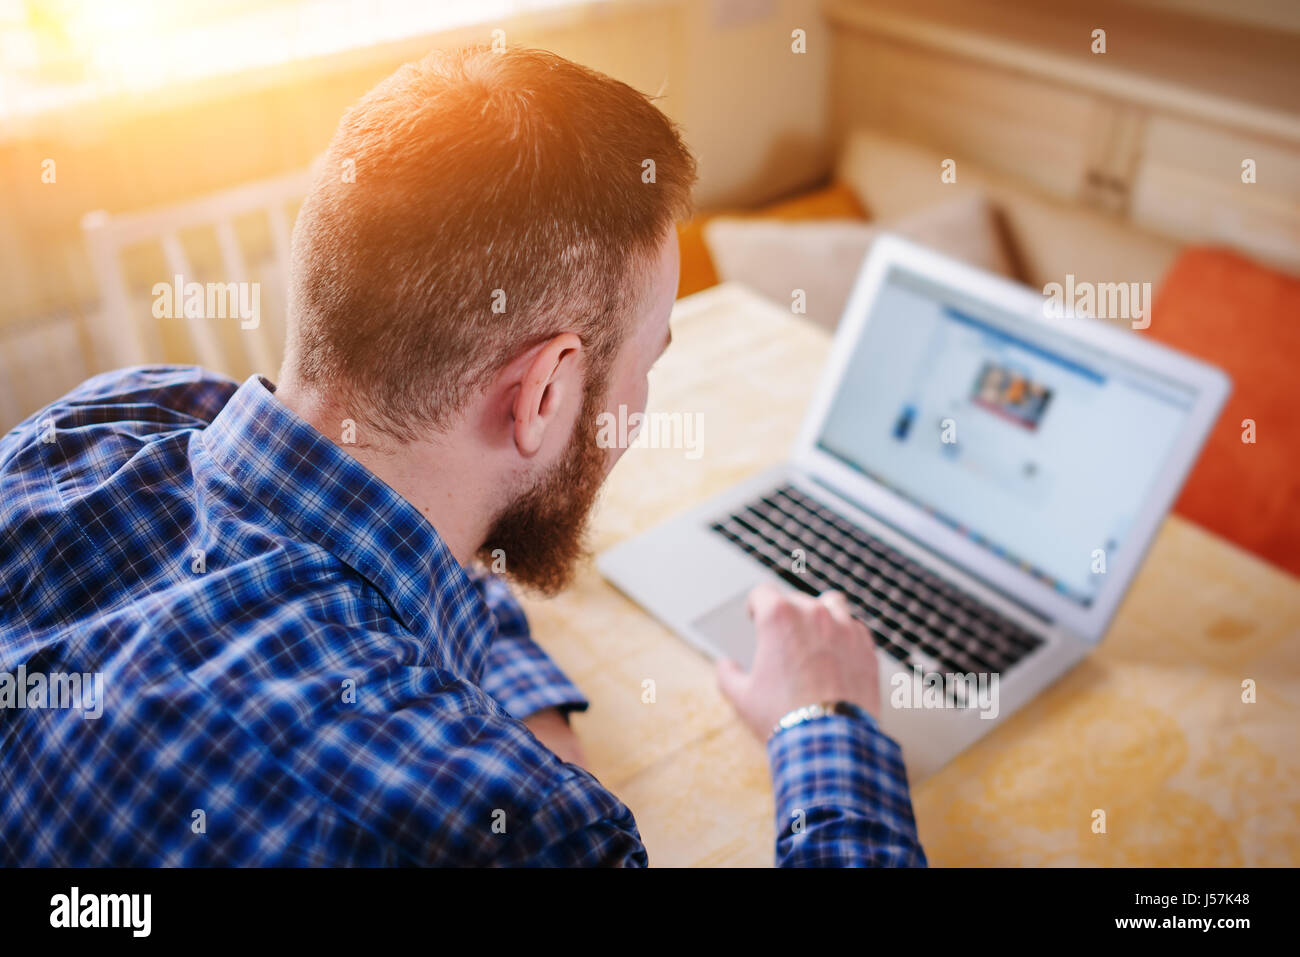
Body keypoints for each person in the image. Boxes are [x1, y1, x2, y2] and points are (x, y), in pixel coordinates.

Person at [0, 46, 924, 866]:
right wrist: (825, 728)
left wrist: (517, 722)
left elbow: (412, 552)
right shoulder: (520, 828)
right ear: (544, 395)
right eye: (649, 362)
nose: (641, 407)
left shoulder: (103, 422)